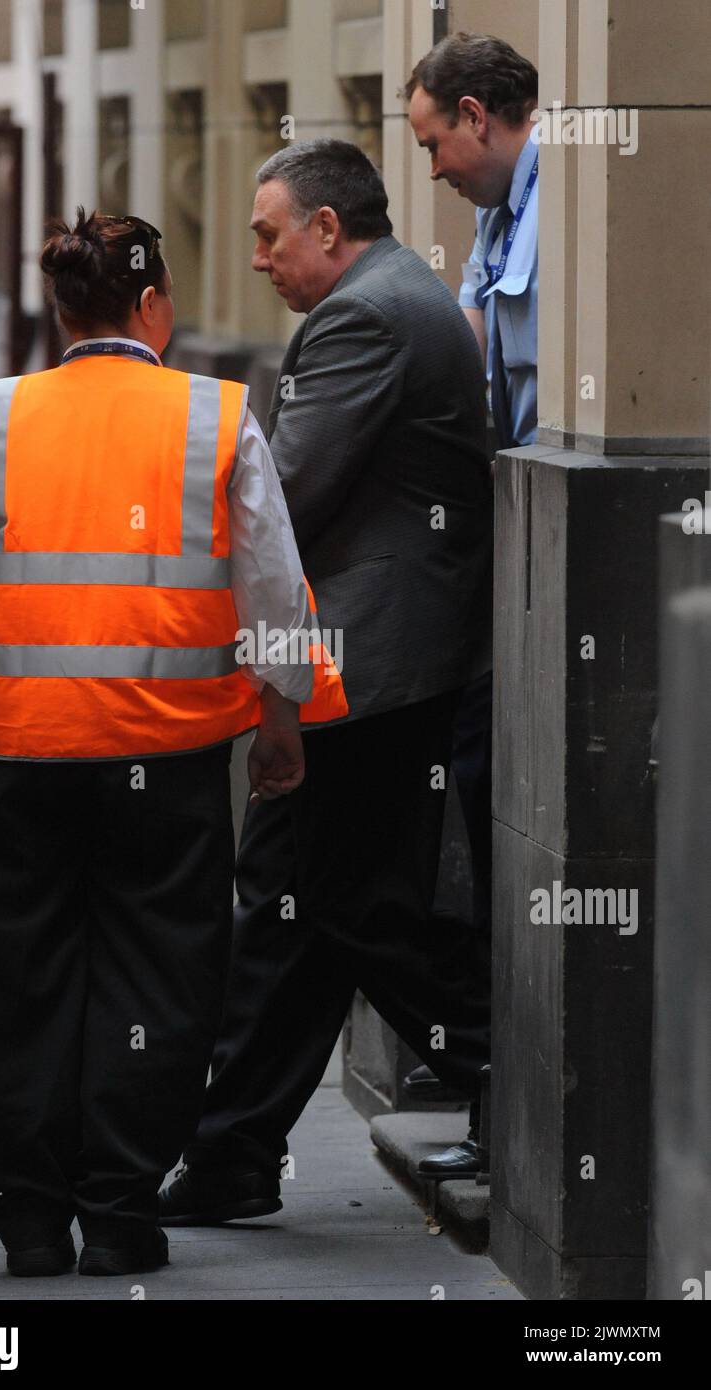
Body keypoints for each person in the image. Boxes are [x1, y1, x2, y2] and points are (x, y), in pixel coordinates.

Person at [0, 207, 346, 1277]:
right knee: (158, 980)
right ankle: (118, 1211)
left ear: (60, 308)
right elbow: (266, 574)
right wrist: (282, 714)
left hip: (18, 752)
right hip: (167, 758)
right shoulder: (212, 416)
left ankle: (27, 1214)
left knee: (14, 976)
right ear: (153, 308)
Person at [159, 140, 493, 1227]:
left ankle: (509, 1065)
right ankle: (231, 1156)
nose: (257, 258)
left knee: (344, 906)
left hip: (371, 666)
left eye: (267, 234)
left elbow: (282, 491)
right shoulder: (400, 293)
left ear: (326, 230)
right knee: (300, 912)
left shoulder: (362, 315)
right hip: (381, 658)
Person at [403, 32, 540, 1177]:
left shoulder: (556, 207)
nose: (435, 168)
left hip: (538, 572)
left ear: (477, 115)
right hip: (494, 570)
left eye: (436, 142)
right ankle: (494, 1118)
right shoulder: (496, 223)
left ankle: (509, 1126)